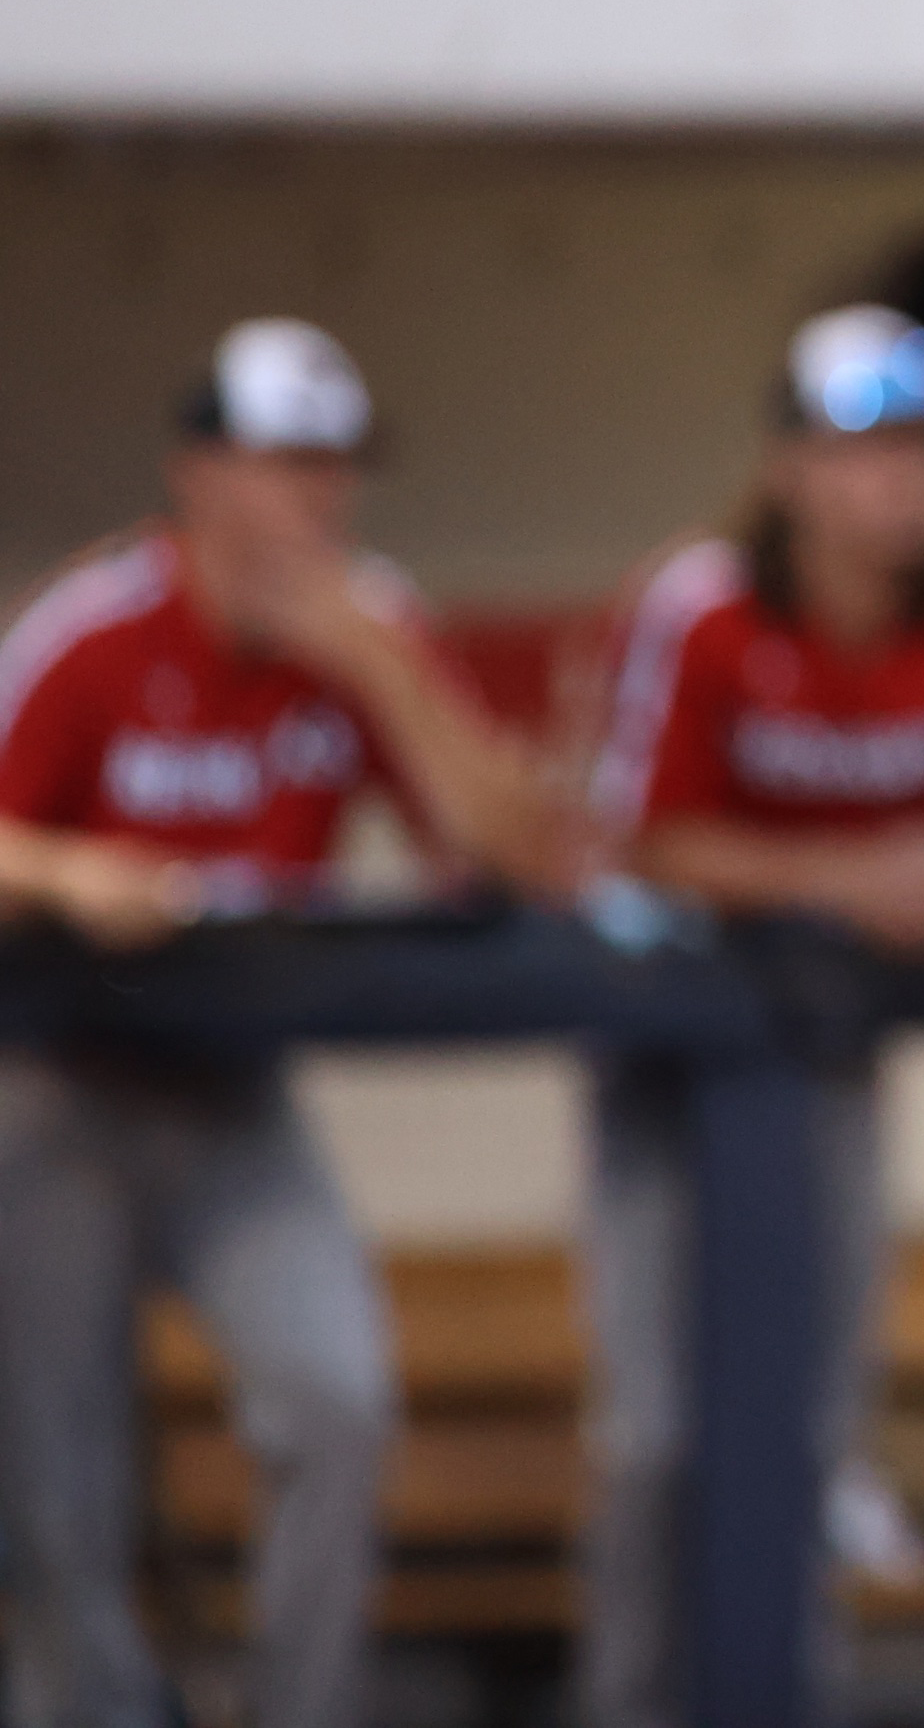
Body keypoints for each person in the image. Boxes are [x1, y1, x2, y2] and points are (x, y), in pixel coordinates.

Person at [0, 320, 558, 1728]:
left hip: (240, 1101)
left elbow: (518, 855)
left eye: (334, 465)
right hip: (59, 1093)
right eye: (281, 462)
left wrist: (382, 673)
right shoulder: (98, 623)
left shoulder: (369, 621)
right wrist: (70, 868)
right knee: (54, 1475)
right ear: (199, 473)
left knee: (336, 1398)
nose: (315, 498)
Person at [581, 301, 924, 1728]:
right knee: (656, 1431)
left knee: (812, 1420)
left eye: (923, 444)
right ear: (788, 461)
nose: (899, 477)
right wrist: (851, 876)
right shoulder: (706, 605)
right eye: (864, 445)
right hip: (671, 1056)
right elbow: (639, 837)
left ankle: (798, 1697)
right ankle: (633, 1702)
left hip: (832, 1060)